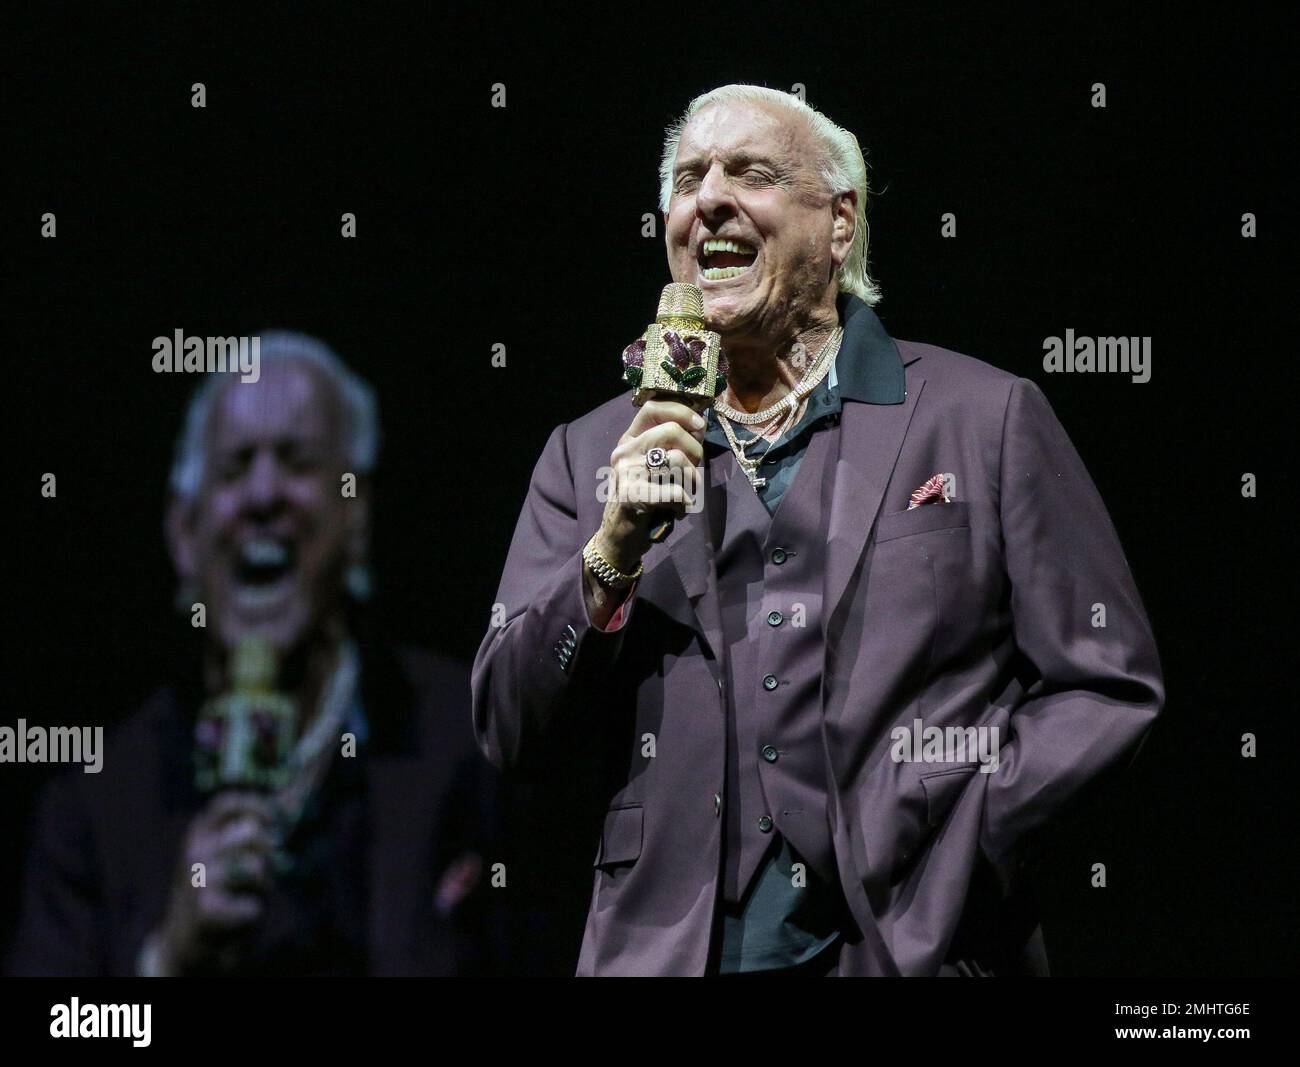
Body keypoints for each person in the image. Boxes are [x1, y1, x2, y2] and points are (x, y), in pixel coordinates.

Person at [471, 85, 1165, 976]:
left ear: (840, 223)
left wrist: (967, 829)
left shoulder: (980, 418)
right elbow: (509, 729)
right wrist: (608, 561)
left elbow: (1108, 687)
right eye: (687, 181)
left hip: (912, 948)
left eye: (750, 173)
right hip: (665, 951)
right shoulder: (590, 452)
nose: (708, 199)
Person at [8, 332, 499, 976]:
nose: (264, 496)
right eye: (235, 467)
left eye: (297, 462)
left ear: (355, 517)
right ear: (184, 534)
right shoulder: (95, 806)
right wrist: (167, 958)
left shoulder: (469, 737)